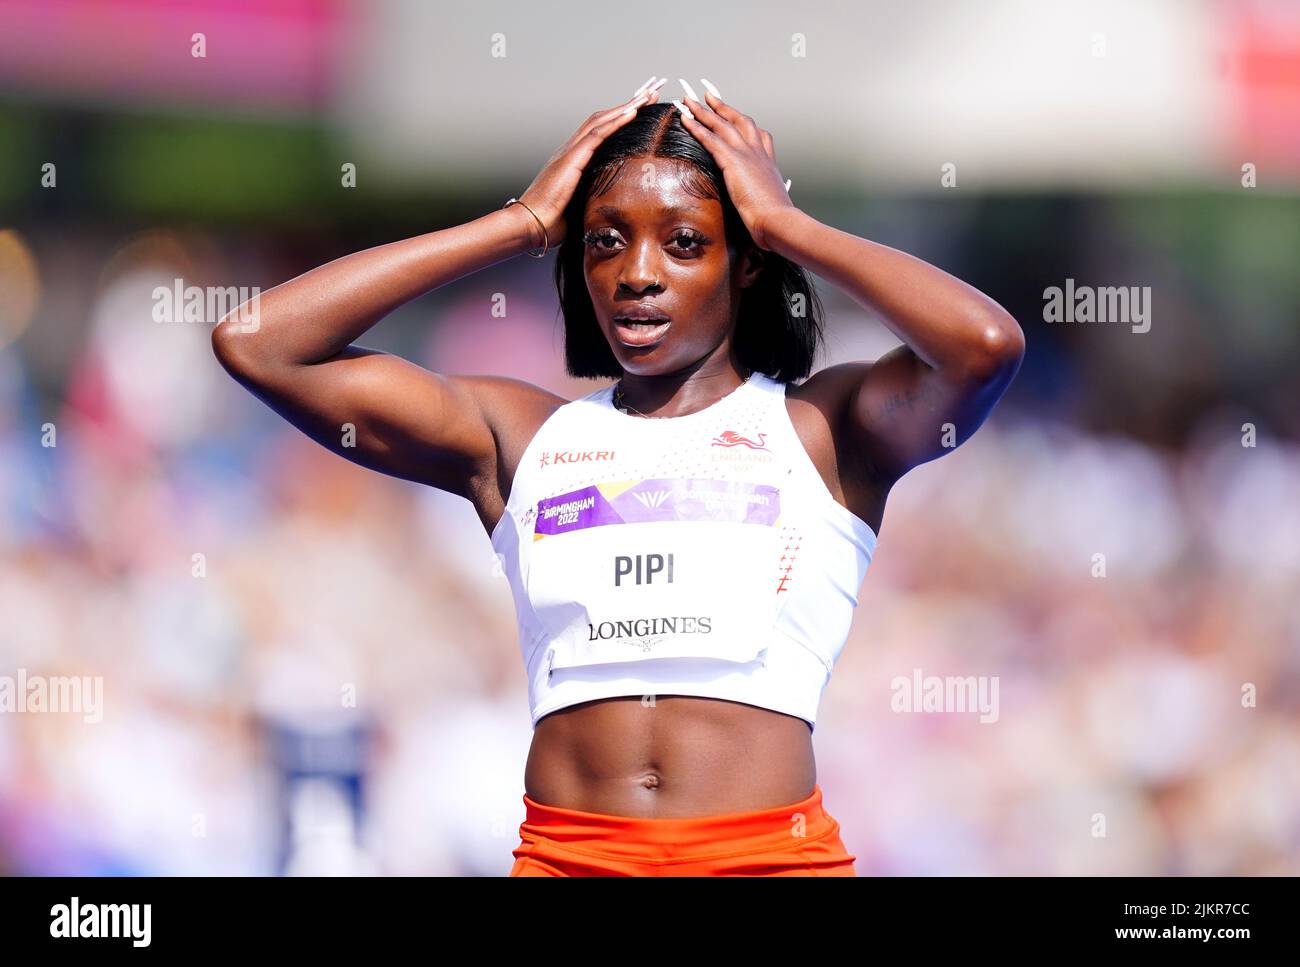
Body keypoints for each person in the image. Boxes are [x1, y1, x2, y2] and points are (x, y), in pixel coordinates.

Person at [212, 75, 1025, 876]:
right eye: (605, 240)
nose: (638, 272)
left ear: (746, 263)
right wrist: (520, 223)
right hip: (570, 859)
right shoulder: (522, 438)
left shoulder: (824, 427)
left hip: (765, 859)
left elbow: (983, 343)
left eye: (684, 242)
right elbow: (258, 341)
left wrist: (783, 221)